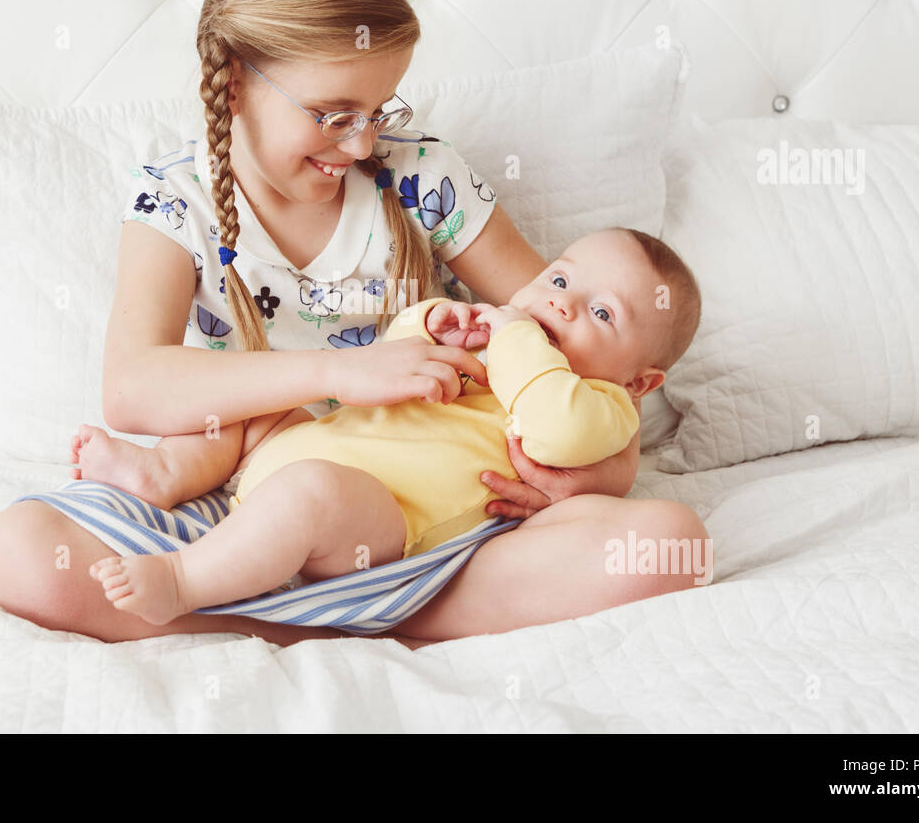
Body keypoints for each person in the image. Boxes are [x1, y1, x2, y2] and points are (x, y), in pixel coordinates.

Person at [0, 0, 709, 647]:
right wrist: (342, 371)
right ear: (233, 81)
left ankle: (311, 613)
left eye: (379, 110)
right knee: (21, 552)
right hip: (248, 505)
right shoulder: (174, 204)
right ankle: (292, 603)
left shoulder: (423, 177)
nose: (361, 144)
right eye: (334, 115)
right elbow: (132, 387)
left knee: (670, 543)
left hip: (433, 520)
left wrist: (588, 478)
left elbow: (572, 349)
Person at [79, 227, 702, 626]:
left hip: (376, 516)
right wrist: (430, 327)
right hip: (301, 441)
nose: (560, 302)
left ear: (639, 383)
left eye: (599, 312)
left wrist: (514, 338)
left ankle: (183, 581)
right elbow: (393, 351)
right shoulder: (497, 340)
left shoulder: (600, 401)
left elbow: (557, 429)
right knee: (248, 395)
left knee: (312, 494)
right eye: (559, 279)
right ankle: (162, 473)